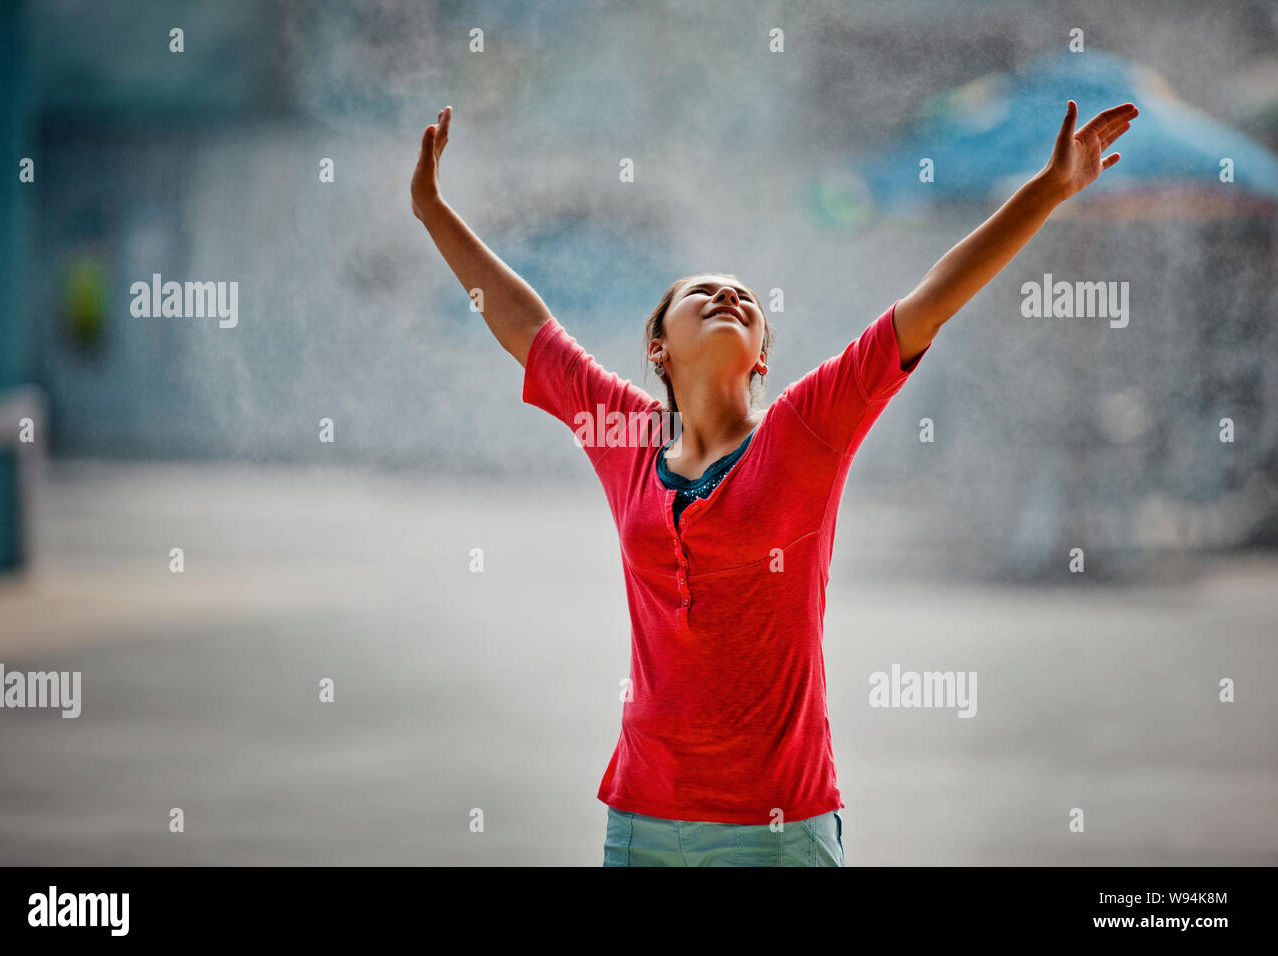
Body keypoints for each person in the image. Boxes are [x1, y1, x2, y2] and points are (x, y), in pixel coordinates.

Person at [411, 100, 1138, 866]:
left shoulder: (807, 430)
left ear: (760, 355)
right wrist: (431, 212)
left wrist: (1048, 190)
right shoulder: (623, 434)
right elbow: (529, 326)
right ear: (658, 349)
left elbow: (933, 299)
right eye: (703, 294)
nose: (729, 297)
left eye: (746, 301)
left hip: (778, 830)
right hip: (640, 823)